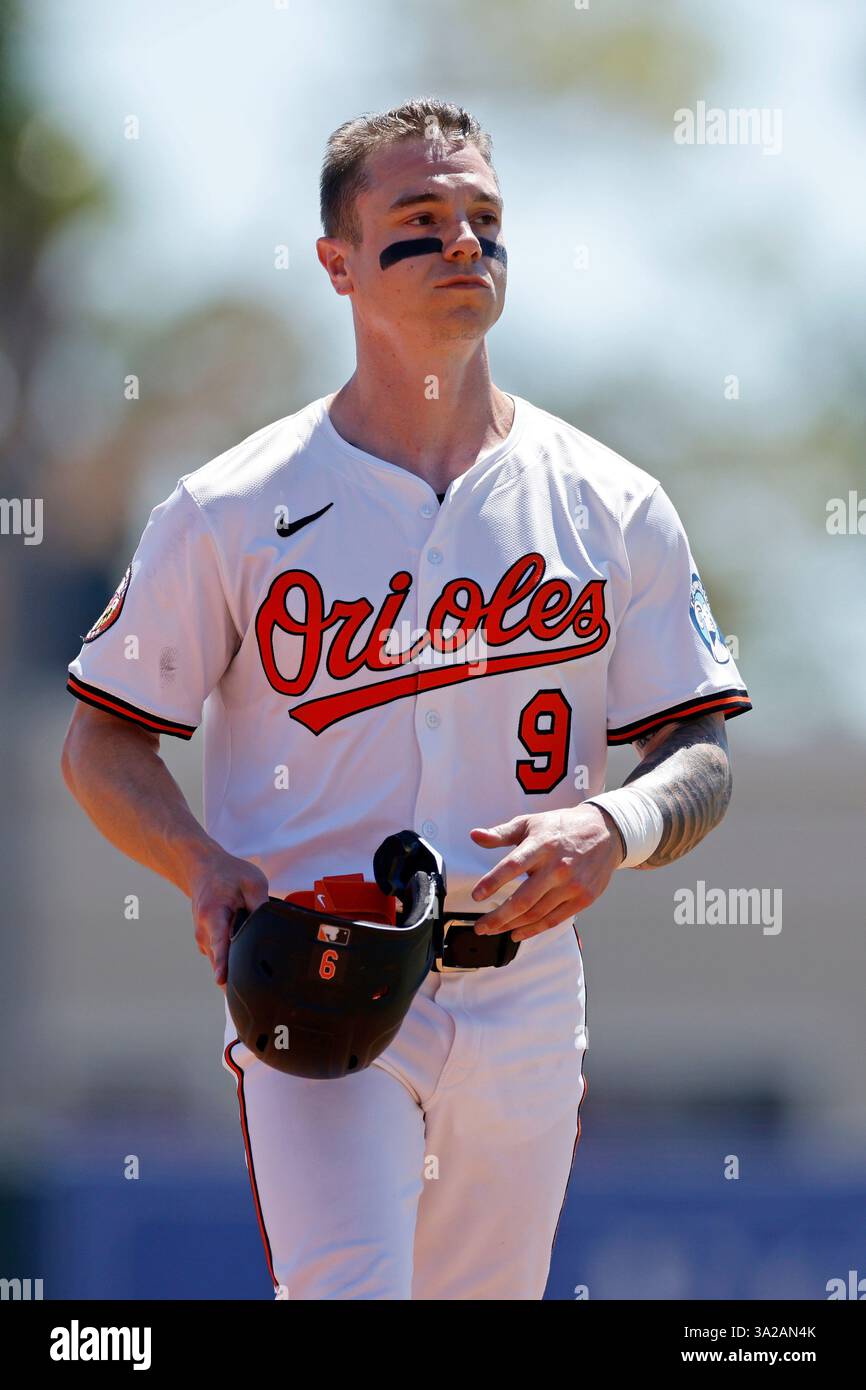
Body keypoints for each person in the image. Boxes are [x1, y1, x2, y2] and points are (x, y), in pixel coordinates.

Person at [61, 97, 751, 1300]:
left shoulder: (608, 499)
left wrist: (614, 825)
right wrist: (199, 862)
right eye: (419, 220)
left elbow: (701, 749)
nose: (461, 244)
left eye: (483, 218)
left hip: (527, 989)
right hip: (316, 978)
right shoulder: (232, 506)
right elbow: (100, 741)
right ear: (336, 262)